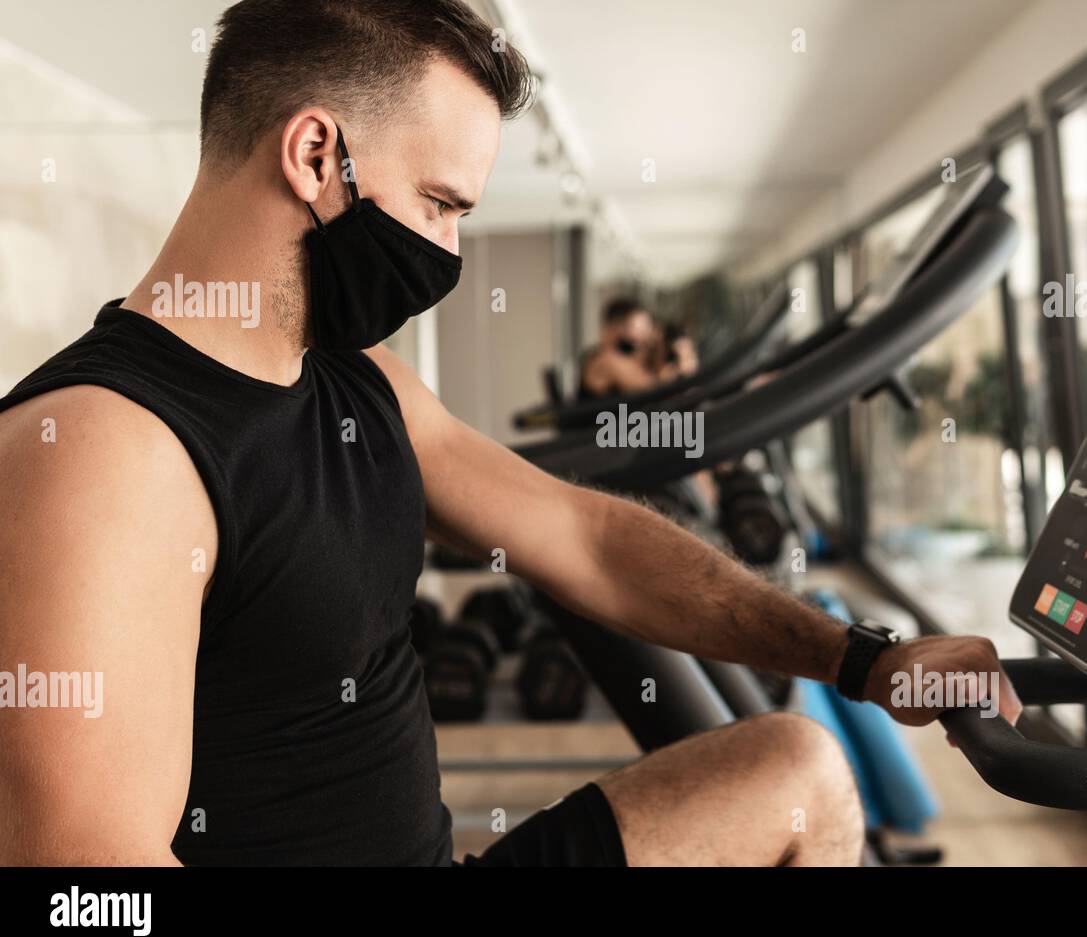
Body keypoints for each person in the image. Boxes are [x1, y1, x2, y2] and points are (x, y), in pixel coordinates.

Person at [0, 0, 1019, 867]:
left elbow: (589, 539)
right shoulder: (104, 450)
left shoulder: (362, 388)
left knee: (796, 765)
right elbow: (91, 883)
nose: (446, 253)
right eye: (440, 205)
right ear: (316, 153)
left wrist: (861, 658)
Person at [577, 297, 698, 399]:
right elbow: (648, 387)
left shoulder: (624, 359)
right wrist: (676, 371)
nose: (646, 336)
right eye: (639, 329)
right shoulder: (604, 360)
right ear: (616, 327)